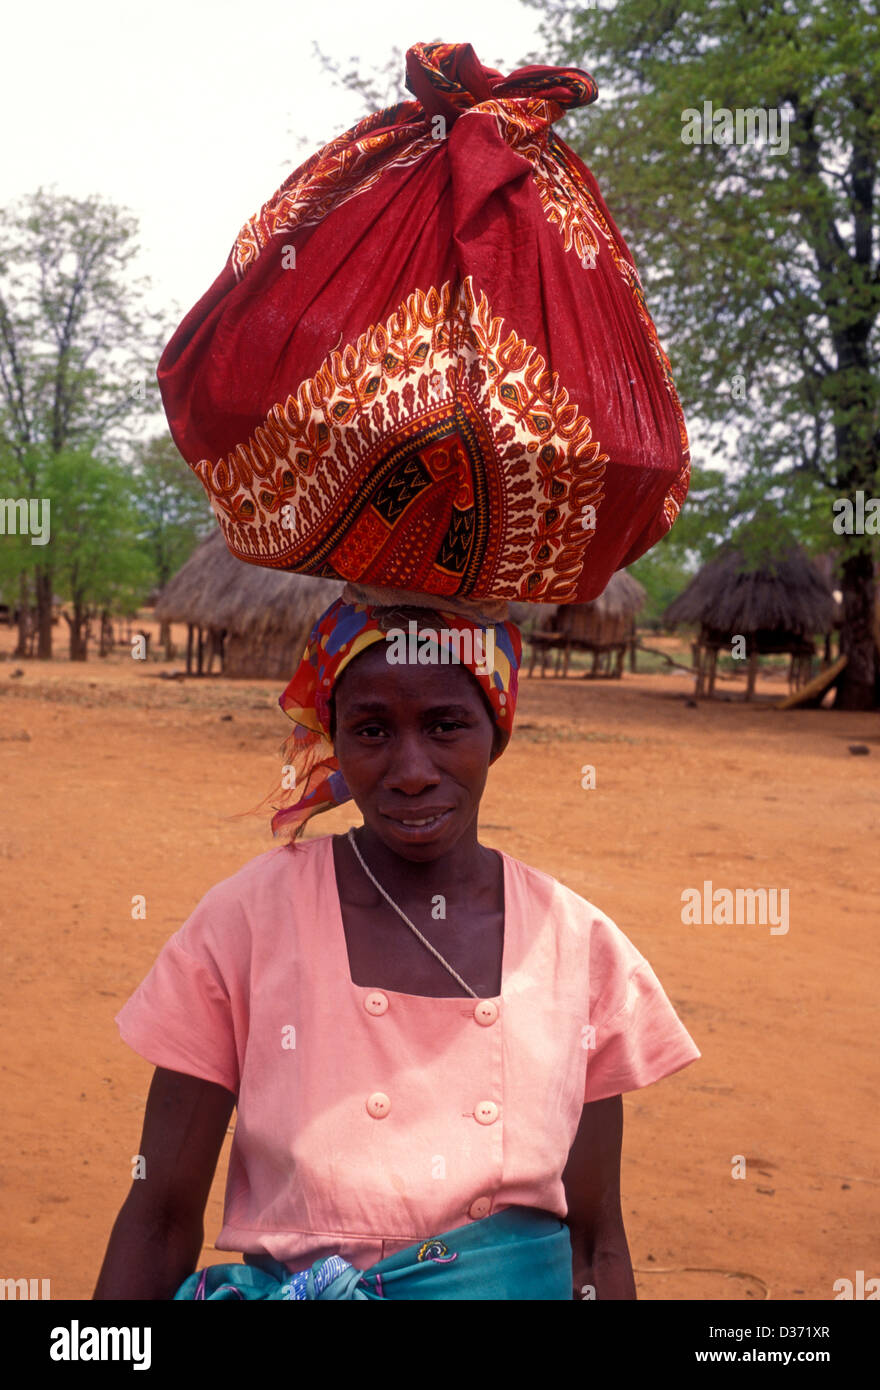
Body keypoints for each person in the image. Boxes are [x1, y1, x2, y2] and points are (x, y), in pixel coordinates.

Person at [94, 596, 700, 1301]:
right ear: (336, 741)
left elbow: (594, 1247)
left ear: (496, 731)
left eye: (447, 725)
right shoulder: (247, 923)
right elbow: (160, 1217)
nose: (411, 770)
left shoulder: (578, 949)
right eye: (373, 729)